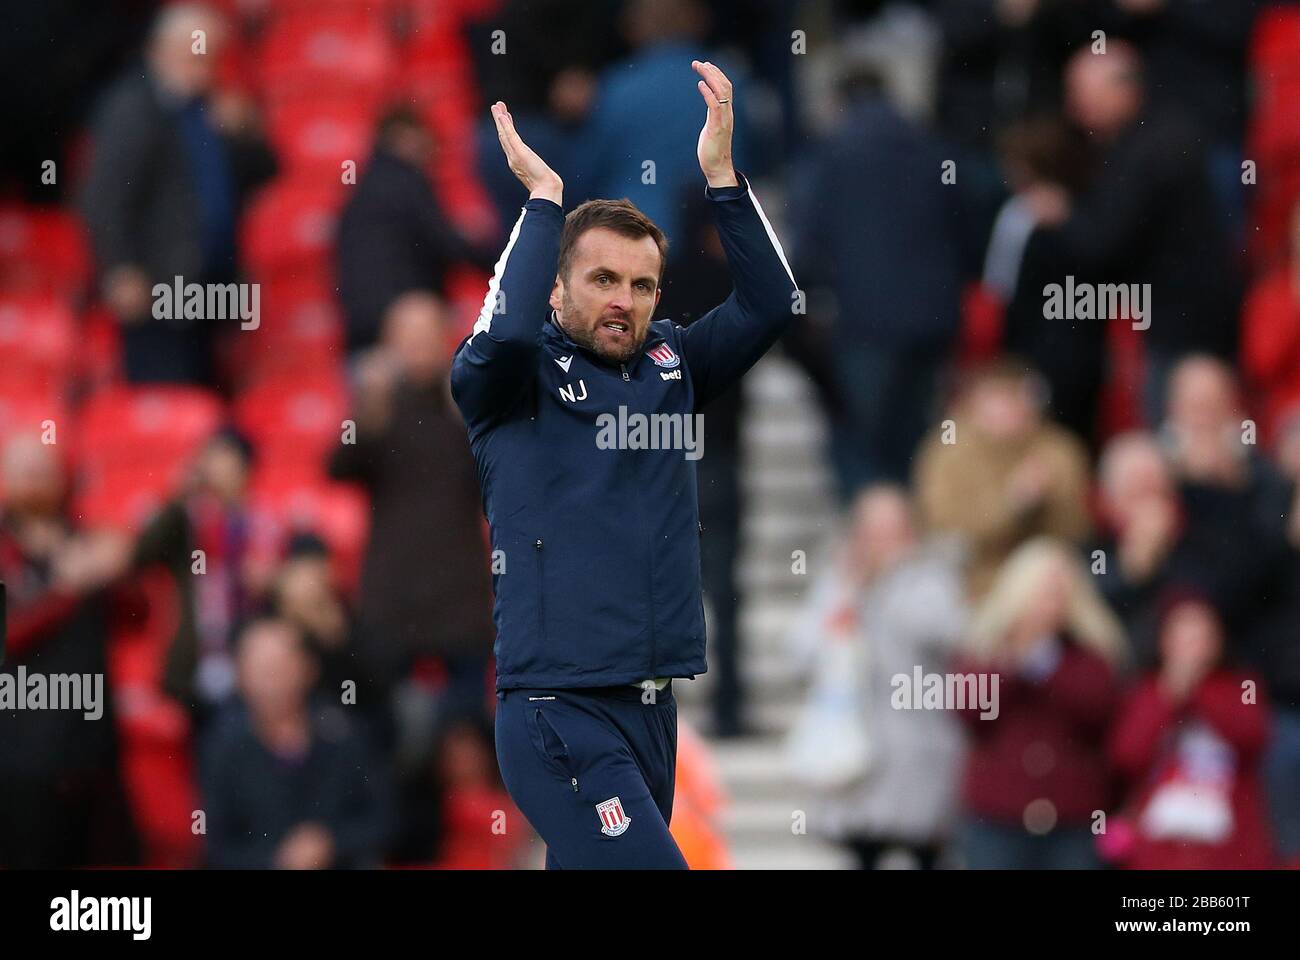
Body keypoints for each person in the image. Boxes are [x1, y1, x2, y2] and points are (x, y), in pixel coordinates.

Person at [451, 62, 798, 869]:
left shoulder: (674, 363)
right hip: (558, 709)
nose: (625, 299)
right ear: (556, 288)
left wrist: (721, 178)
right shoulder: (511, 378)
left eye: (642, 285)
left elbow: (773, 303)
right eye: (602, 279)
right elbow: (499, 335)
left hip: (653, 706)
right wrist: (543, 203)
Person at [328, 292, 496, 746]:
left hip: (460, 601)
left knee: (469, 736)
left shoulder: (463, 406)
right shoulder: (379, 408)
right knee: (384, 739)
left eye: (428, 338)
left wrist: (470, 413)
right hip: (391, 601)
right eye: (408, 339)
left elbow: (499, 482)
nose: (418, 349)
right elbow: (338, 466)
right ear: (388, 346)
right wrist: (368, 408)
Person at [79, 2, 274, 384]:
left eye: (207, 58)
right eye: (190, 56)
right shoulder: (131, 109)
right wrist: (119, 267)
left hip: (211, 281)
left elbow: (267, 170)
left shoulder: (212, 109)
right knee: (168, 388)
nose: (200, 68)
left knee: (205, 395)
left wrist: (246, 131)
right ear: (159, 52)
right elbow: (103, 197)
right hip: (158, 286)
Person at [787, 485, 968, 869]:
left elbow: (944, 630)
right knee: (862, 851)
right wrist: (847, 600)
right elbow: (800, 653)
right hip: (856, 756)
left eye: (891, 532)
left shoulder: (931, 580)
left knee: (925, 853)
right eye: (871, 533)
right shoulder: (839, 583)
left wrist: (883, 587)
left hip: (918, 750)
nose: (880, 545)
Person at [953, 538, 1126, 869]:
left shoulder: (1090, 653)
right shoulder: (986, 650)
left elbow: (1099, 710)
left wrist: (1051, 668)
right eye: (1042, 593)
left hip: (1071, 818)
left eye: (1059, 594)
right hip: (999, 817)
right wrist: (1015, 663)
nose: (1050, 605)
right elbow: (969, 710)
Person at [202, 618, 391, 869]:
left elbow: (385, 818)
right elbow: (215, 845)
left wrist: (330, 843)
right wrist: (278, 859)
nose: (271, 681)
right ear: (240, 675)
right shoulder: (222, 747)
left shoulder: (344, 732)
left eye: (281, 666)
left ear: (309, 668)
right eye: (261, 668)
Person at [1109, 589, 1274, 869]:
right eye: (1183, 637)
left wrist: (1199, 690)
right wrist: (1168, 697)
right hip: (1160, 843)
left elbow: (1253, 737)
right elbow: (1127, 756)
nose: (1192, 647)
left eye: (1201, 636)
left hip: (1228, 841)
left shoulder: (1239, 686)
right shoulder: (1148, 691)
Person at [914, 357, 1092, 601]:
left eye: (1014, 398)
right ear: (974, 404)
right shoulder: (948, 451)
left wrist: (1044, 501)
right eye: (997, 399)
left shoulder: (1058, 449)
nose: (1008, 410)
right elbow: (946, 532)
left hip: (1047, 581)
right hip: (971, 582)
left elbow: (1076, 532)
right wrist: (1012, 504)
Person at [336, 107, 499, 355]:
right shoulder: (404, 180)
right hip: (402, 312)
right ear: (401, 135)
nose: (430, 150)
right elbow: (444, 241)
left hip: (362, 323)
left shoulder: (361, 189)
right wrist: (502, 265)